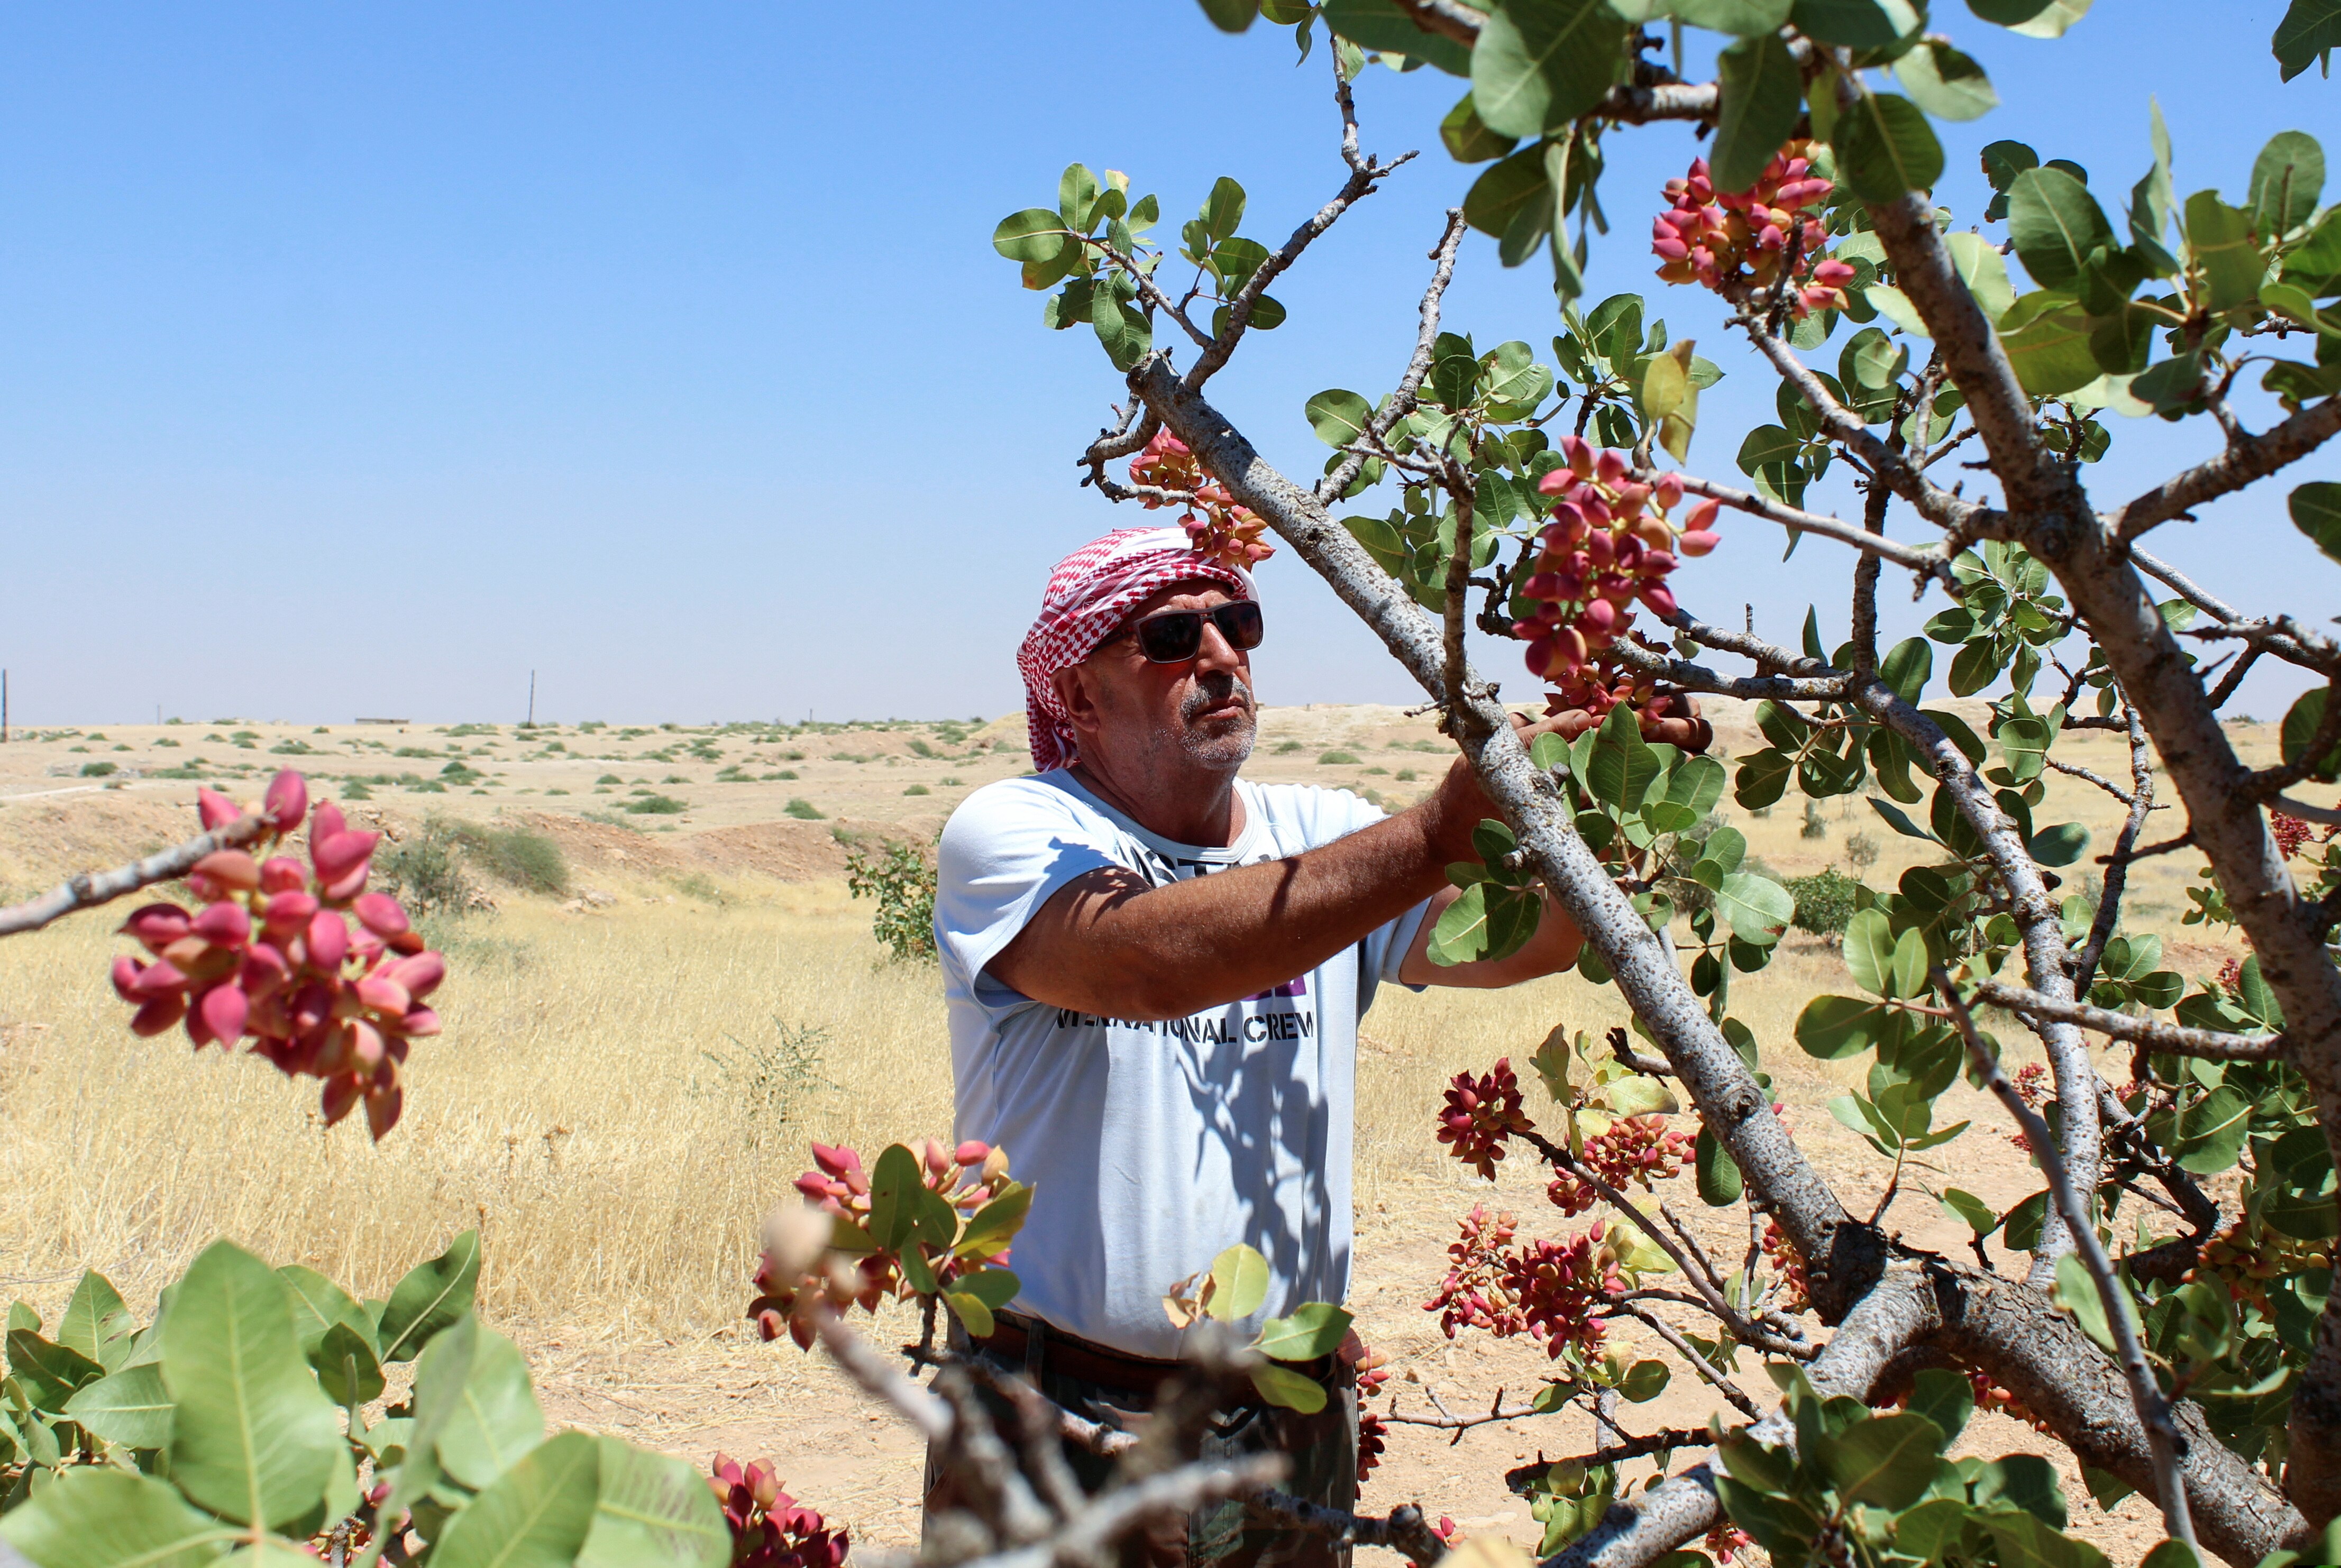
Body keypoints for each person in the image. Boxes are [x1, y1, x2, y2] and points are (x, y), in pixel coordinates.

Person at [927, 526, 1704, 1568]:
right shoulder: (1016, 830)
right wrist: (1433, 834)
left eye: (1235, 622)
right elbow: (1139, 965)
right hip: (1061, 1417)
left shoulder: (1318, 828)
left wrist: (1602, 780)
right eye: (1167, 635)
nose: (1217, 655)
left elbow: (1537, 943)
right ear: (1076, 696)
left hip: (1284, 1426)